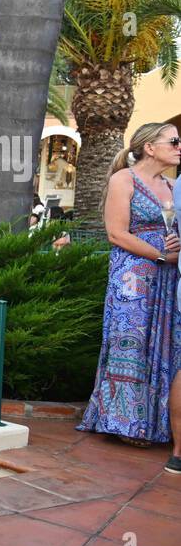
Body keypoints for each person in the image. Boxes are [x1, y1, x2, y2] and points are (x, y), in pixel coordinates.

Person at [79, 122, 181, 470]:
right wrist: (159, 255)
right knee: (132, 342)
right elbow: (116, 233)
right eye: (173, 141)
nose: (179, 146)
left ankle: (156, 422)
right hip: (134, 278)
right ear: (150, 147)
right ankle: (123, 421)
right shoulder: (123, 180)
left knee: (163, 343)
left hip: (168, 277)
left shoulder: (171, 185)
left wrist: (175, 248)